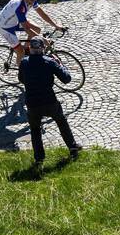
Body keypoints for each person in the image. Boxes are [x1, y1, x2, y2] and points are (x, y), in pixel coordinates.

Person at [18, 35, 81, 174]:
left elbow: (21, 79)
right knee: (61, 122)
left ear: (29, 48)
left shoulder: (24, 63)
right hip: (49, 101)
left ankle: (39, 159)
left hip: (32, 103)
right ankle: (72, 148)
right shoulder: (49, 62)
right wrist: (60, 64)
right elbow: (67, 79)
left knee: (35, 130)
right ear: (43, 48)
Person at [0, 0, 64, 63]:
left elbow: (42, 14)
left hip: (15, 21)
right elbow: (27, 29)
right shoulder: (19, 6)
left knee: (37, 29)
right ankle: (22, 73)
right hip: (5, 27)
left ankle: (26, 49)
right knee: (20, 52)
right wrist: (43, 40)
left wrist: (56, 25)